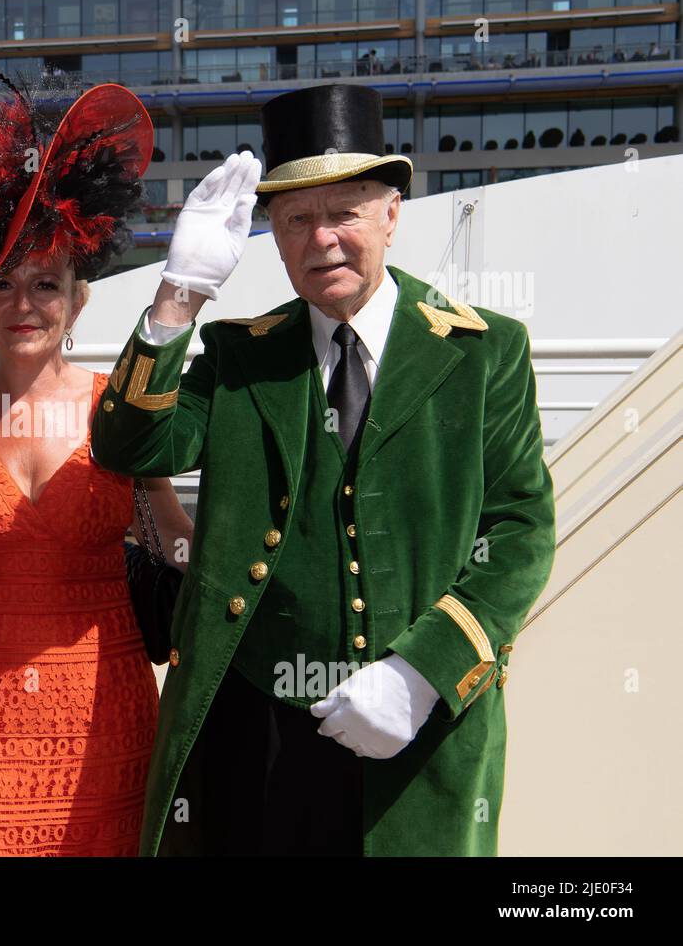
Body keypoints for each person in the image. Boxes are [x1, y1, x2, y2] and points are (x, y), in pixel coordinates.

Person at [92, 83, 555, 856]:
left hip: (418, 729)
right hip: (257, 736)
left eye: (345, 212)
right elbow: (131, 450)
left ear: (393, 214)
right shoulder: (240, 356)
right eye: (297, 219)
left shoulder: (483, 352)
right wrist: (177, 299)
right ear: (272, 235)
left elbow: (519, 533)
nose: (322, 240)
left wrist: (422, 672)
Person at [0, 81, 191, 856]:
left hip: (101, 714)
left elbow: (175, 537)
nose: (23, 303)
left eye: (45, 283)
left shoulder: (119, 409)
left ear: (79, 301)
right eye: (3, 285)